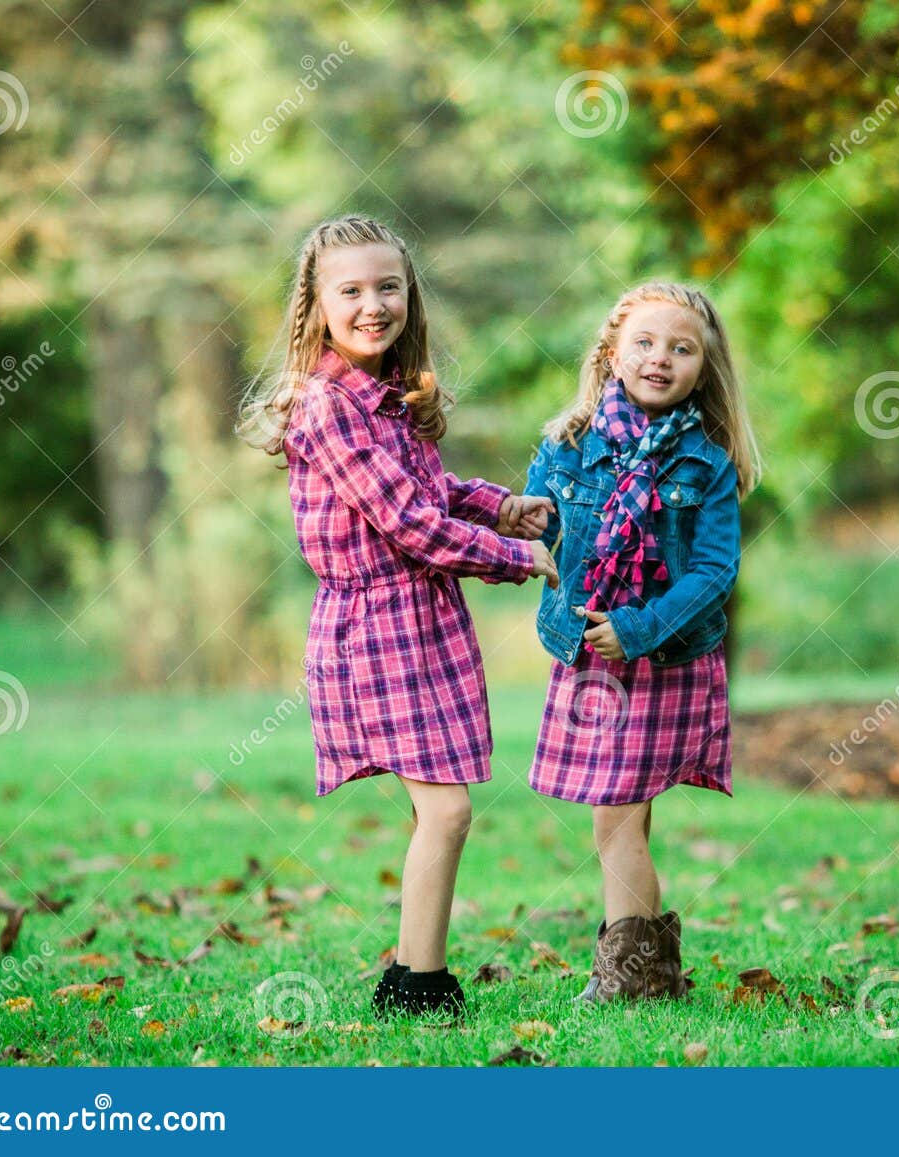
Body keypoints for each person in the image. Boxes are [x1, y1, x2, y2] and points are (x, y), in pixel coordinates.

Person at [240, 215, 557, 1019]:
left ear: (410, 295)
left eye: (389, 287)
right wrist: (517, 560)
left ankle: (414, 973)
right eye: (351, 290)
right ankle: (417, 983)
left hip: (423, 614)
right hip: (378, 622)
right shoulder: (328, 406)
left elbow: (432, 492)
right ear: (316, 304)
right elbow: (408, 524)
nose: (373, 304)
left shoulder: (383, 397)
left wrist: (502, 507)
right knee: (447, 808)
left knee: (438, 809)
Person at [522, 281, 761, 1000]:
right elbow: (536, 525)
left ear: (704, 368)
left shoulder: (706, 466)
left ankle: (631, 978)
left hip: (662, 661)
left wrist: (638, 627)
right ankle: (647, 968)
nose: (661, 358)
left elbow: (716, 571)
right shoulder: (566, 445)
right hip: (593, 660)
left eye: (682, 348)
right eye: (646, 343)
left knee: (615, 820)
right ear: (612, 352)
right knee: (625, 816)